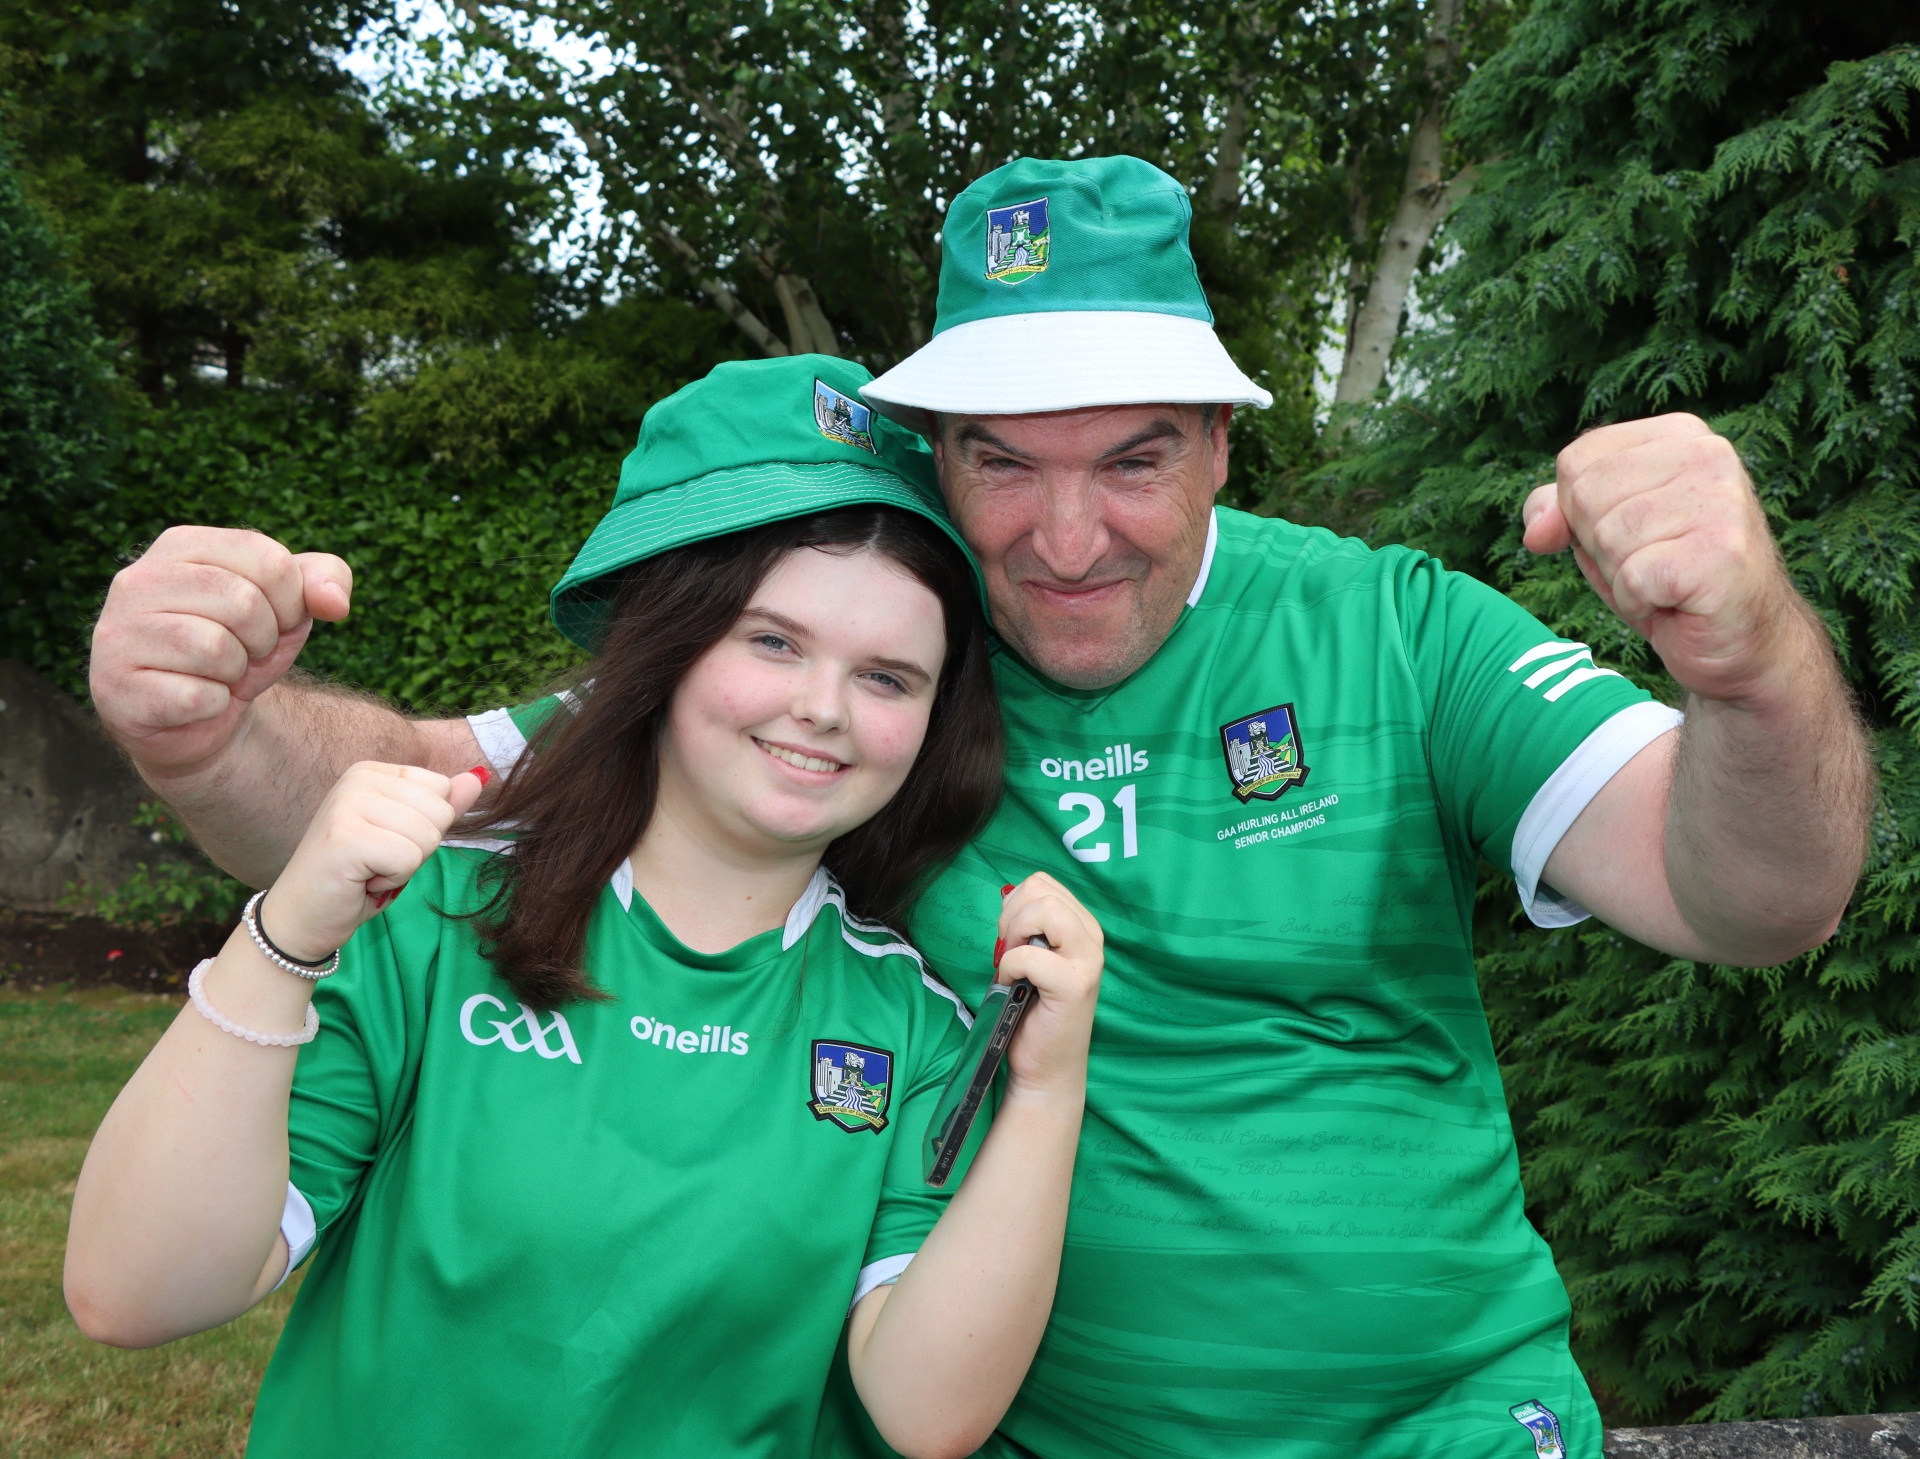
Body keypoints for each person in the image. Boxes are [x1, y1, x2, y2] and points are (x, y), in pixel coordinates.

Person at [85, 156, 1873, 1458]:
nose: (1064, 535)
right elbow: (413, 792)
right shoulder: (863, 672)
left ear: (1227, 443)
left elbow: (1753, 891)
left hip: (1437, 1419)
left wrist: (1749, 658)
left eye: (1134, 456)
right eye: (1002, 459)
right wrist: (200, 729)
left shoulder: (1391, 631)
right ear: (933, 455)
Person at [65, 356, 1108, 1459]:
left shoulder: (913, 1026)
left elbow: (924, 1410)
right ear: (667, 643)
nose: (824, 710)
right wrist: (279, 946)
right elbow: (132, 1291)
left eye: (889, 677)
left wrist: (1047, 1087)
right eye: (772, 640)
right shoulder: (436, 918)